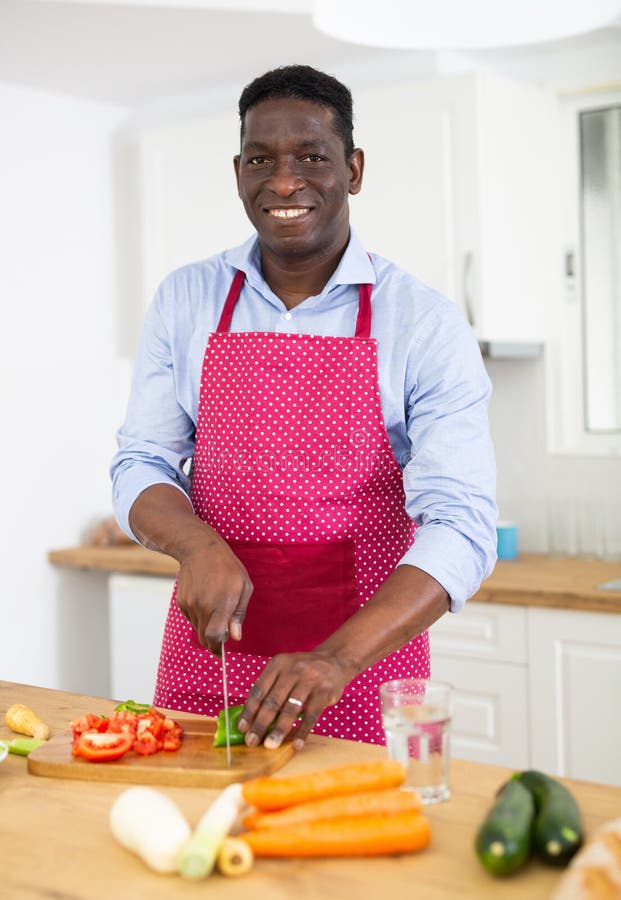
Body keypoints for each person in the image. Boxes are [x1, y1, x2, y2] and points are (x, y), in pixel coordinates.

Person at [111, 64, 497, 751]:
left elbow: (463, 525)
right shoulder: (185, 299)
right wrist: (194, 543)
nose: (284, 181)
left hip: (359, 666)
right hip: (212, 662)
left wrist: (337, 659)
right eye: (262, 159)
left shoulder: (423, 323)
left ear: (352, 169)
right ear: (237, 171)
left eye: (310, 158)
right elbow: (141, 462)